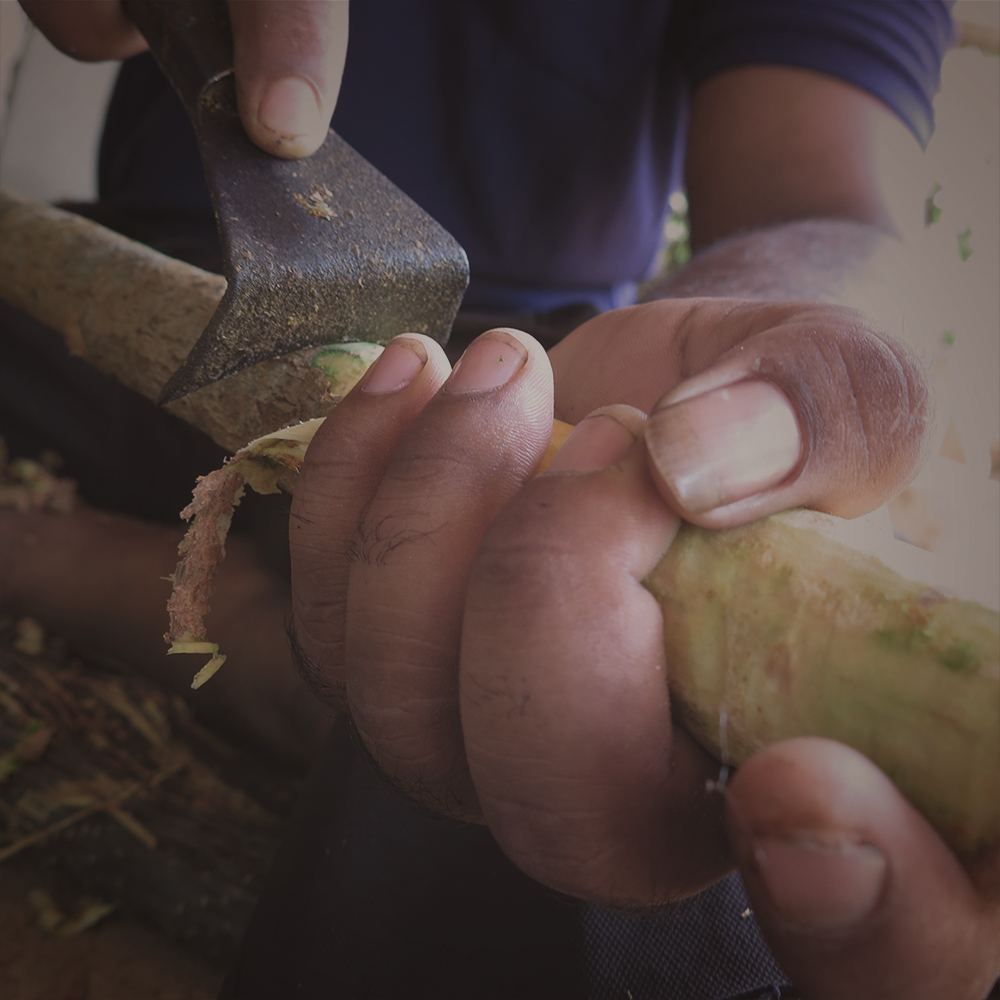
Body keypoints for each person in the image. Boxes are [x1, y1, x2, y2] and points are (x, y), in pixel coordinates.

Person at [4, 2, 997, 998]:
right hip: (139, 265)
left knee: (571, 693)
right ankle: (208, 614)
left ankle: (116, 575)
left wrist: (760, 353)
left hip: (509, 352)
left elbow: (813, 203)